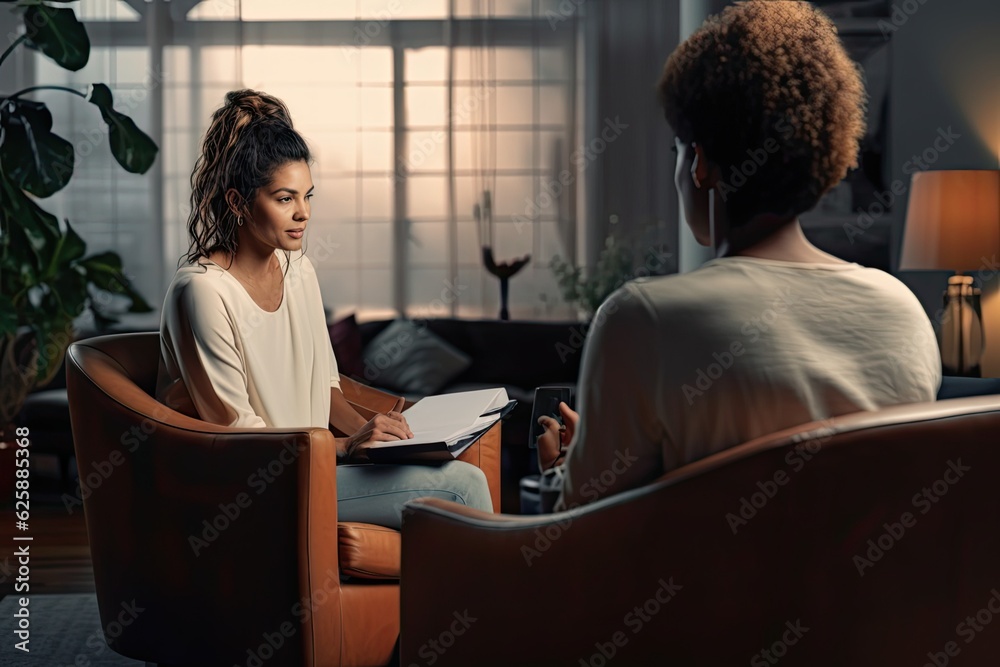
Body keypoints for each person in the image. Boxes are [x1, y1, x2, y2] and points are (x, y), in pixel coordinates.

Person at [537, 1, 942, 512]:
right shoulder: (903, 310)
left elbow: (582, 544)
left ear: (701, 163)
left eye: (678, 151)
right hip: (883, 593)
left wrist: (562, 472)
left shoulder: (641, 317)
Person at [155, 90, 492, 528]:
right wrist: (347, 449)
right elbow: (239, 436)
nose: (303, 214)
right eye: (284, 199)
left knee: (458, 474)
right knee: (461, 486)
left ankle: (459, 596)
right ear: (238, 203)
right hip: (254, 486)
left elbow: (325, 390)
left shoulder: (299, 270)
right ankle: (501, 596)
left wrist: (375, 442)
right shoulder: (201, 292)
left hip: (317, 467)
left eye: (307, 195)